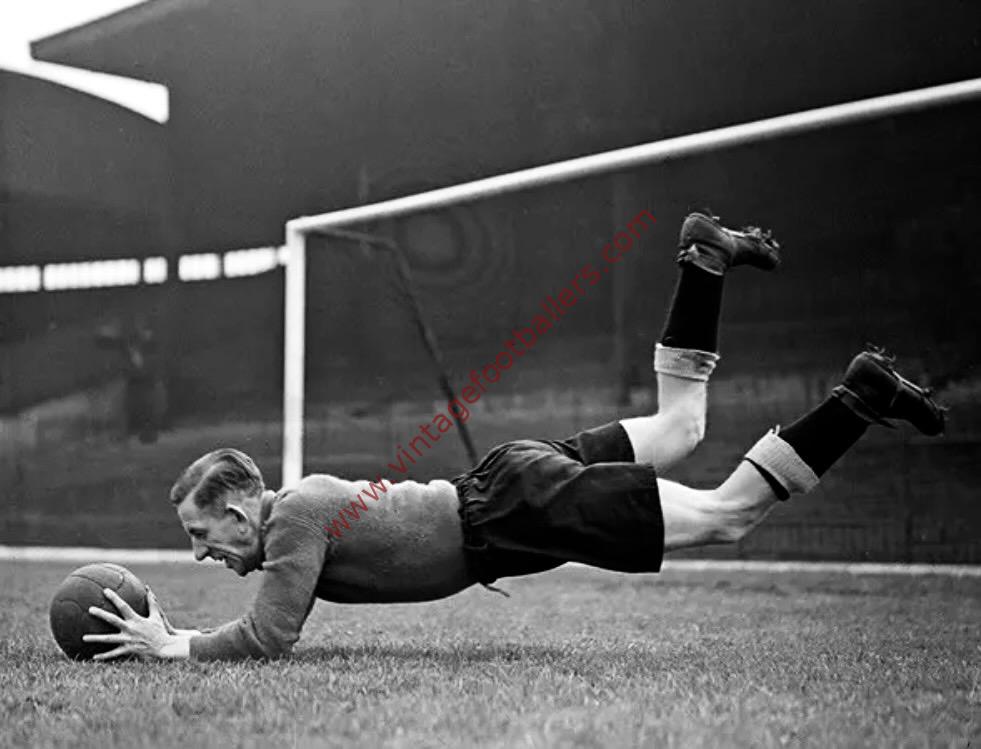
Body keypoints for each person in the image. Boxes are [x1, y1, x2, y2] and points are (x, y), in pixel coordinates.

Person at [84, 212, 945, 661]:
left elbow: (269, 638)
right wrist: (188, 632)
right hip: (504, 486)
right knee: (682, 424)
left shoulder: (295, 519)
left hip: (510, 508)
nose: (199, 553)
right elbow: (273, 612)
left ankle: (857, 398)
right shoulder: (291, 526)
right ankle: (704, 258)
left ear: (240, 507)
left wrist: (176, 645)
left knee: (727, 516)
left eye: (201, 534)